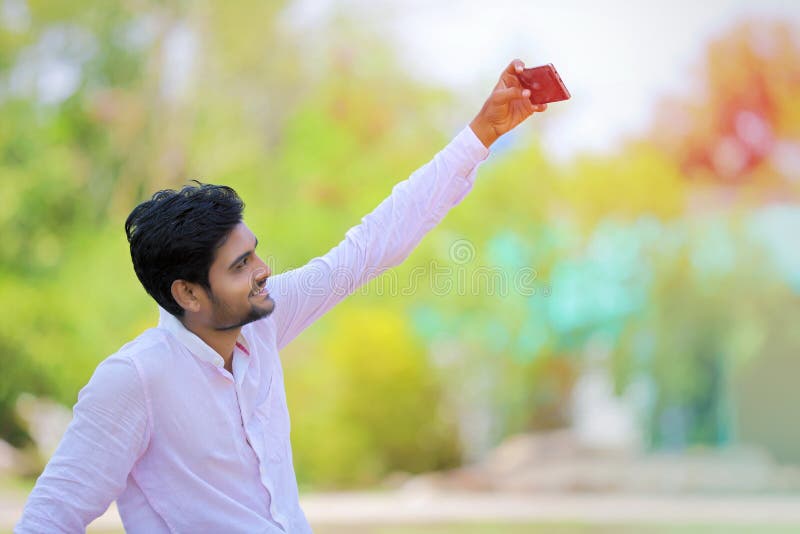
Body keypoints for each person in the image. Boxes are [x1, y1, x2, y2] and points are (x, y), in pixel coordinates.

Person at [16, 59, 546, 533]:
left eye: (255, 253)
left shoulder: (261, 324)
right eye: (241, 265)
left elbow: (368, 249)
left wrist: (481, 135)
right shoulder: (133, 380)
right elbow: (48, 519)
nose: (263, 271)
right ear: (188, 293)